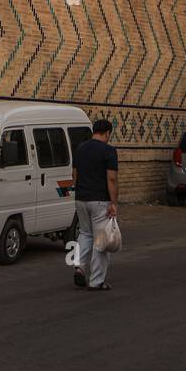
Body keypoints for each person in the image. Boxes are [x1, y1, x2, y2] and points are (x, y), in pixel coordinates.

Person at [71, 118, 118, 291]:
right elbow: (111, 179)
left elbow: (74, 175)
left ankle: (79, 266)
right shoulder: (109, 151)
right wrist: (113, 203)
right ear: (107, 133)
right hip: (100, 201)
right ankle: (96, 281)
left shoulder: (80, 148)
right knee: (101, 240)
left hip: (81, 198)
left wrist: (80, 191)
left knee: (84, 233)